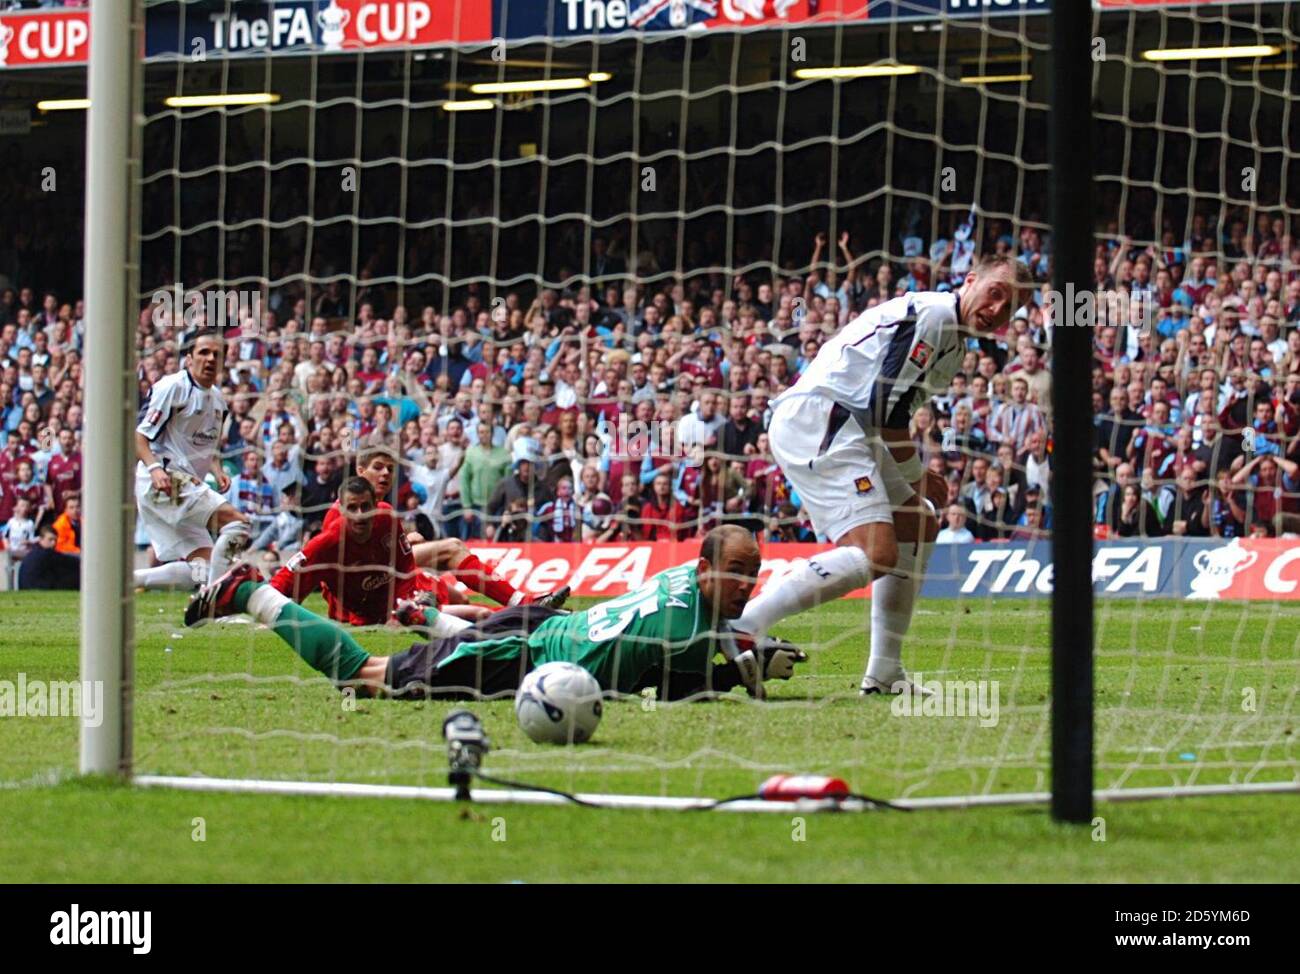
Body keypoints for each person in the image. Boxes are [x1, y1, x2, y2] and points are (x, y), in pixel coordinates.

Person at [734, 254, 1032, 695]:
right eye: (995, 294)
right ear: (970, 280)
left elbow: (890, 413)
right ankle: (744, 625)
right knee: (878, 552)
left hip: (855, 428)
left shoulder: (955, 345)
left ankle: (884, 673)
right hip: (823, 418)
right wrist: (915, 473)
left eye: (1010, 309)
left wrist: (915, 477)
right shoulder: (931, 316)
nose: (997, 311)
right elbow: (885, 409)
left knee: (919, 522)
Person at [186, 525, 806, 701]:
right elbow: (678, 685)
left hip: (538, 627)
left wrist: (743, 648)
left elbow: (709, 642)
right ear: (704, 572)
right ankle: (251, 594)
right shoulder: (688, 629)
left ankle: (427, 616)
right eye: (735, 577)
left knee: (447, 646)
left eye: (752, 577)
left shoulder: (679, 578)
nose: (746, 588)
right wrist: (746, 670)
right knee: (364, 676)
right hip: (528, 653)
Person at [132, 329, 251, 590]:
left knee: (205, 569)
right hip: (165, 480)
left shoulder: (218, 400)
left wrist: (217, 469)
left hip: (185, 484)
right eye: (203, 352)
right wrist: (154, 469)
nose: (210, 359)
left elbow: (206, 442)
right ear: (189, 358)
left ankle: (130, 581)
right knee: (239, 523)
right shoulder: (172, 388)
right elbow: (138, 436)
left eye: (217, 355)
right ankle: (218, 603)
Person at [18, 525, 80, 590]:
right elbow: (67, 561)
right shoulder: (45, 554)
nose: (53, 543)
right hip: (38, 587)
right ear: (40, 539)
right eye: (50, 539)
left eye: (55, 540)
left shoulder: (32, 553)